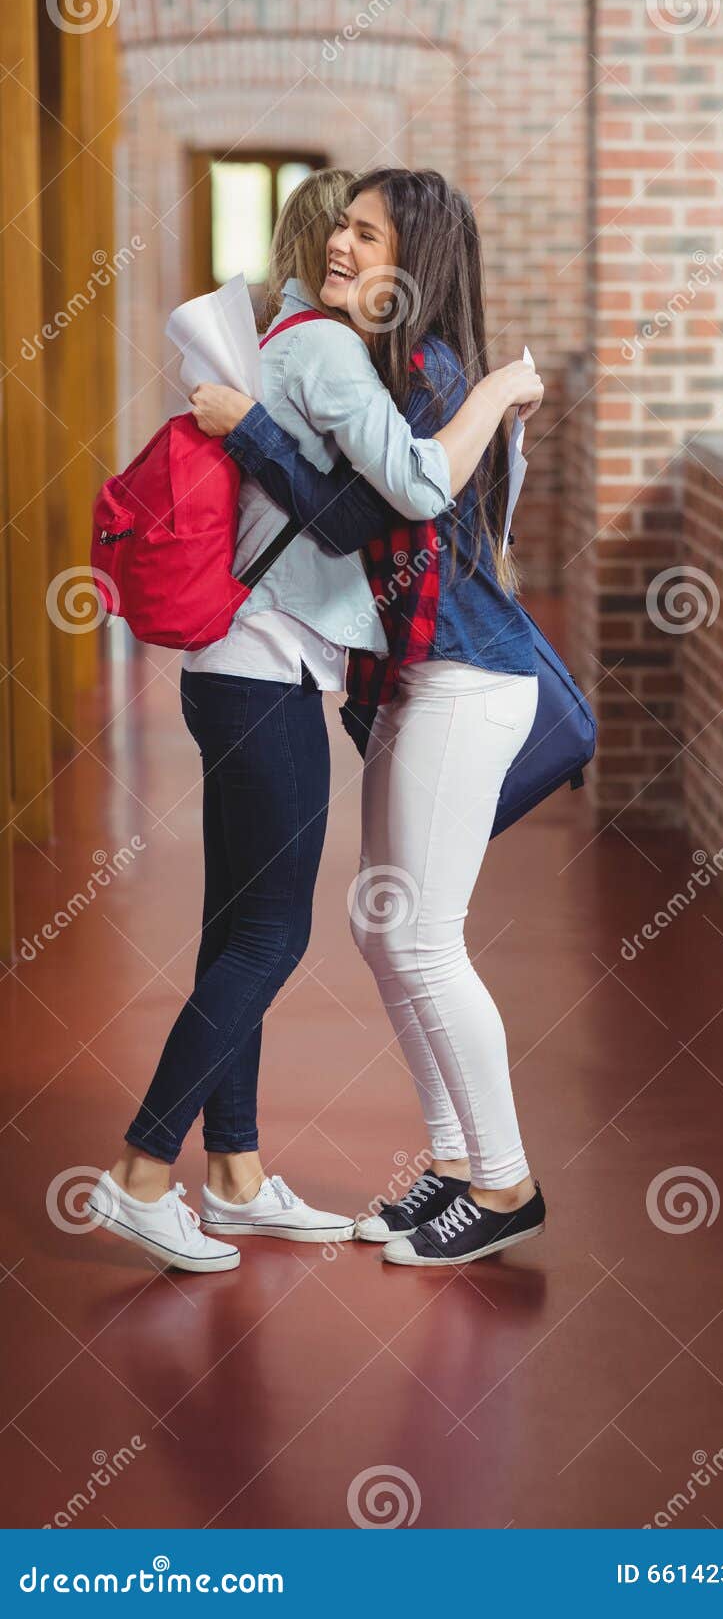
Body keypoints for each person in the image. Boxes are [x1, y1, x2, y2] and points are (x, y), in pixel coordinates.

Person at [85, 168, 542, 1273]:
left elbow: (376, 509)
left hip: (266, 666)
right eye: (342, 227)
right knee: (276, 933)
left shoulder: (342, 350)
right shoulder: (336, 351)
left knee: (261, 926)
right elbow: (382, 505)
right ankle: (147, 1175)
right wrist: (499, 396)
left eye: (367, 235)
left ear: (410, 268)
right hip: (267, 666)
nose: (343, 245)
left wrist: (256, 429)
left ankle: (237, 1173)